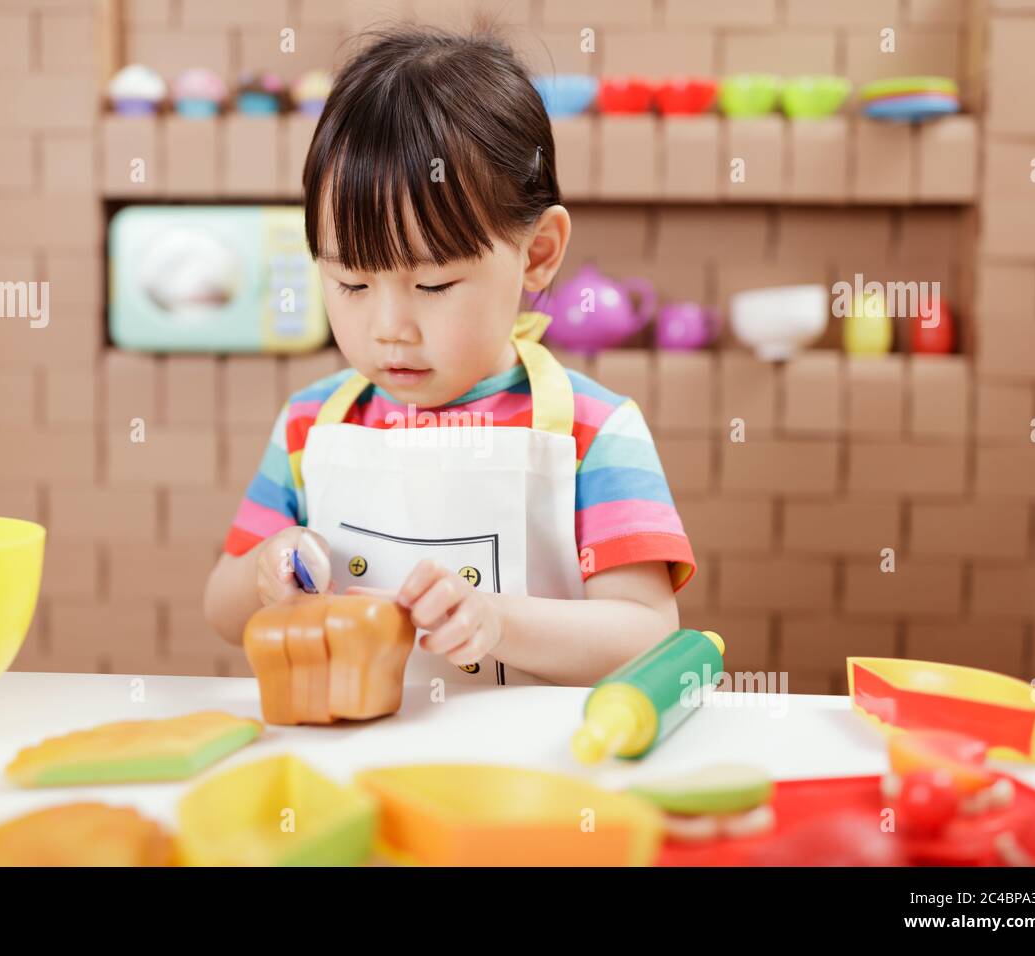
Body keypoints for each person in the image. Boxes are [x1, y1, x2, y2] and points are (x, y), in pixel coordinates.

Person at [205, 23, 695, 687]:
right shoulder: (310, 425)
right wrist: (267, 572)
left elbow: (646, 633)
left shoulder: (592, 433)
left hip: (529, 781)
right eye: (350, 282)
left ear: (538, 254)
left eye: (432, 285)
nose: (389, 328)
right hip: (359, 768)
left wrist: (499, 621)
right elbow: (222, 609)